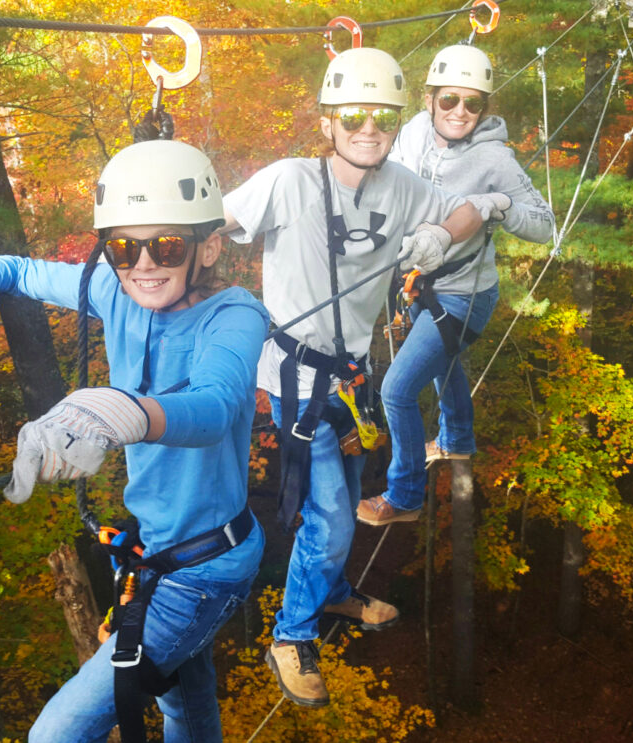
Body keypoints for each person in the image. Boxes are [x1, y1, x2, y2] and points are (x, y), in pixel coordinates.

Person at [0, 140, 269, 743]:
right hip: (161, 550)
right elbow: (16, 270)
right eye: (125, 246)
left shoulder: (234, 315)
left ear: (207, 248)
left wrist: (122, 411)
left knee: (56, 734)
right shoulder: (116, 292)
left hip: (207, 568)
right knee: (185, 695)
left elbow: (216, 406)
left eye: (168, 245)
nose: (144, 264)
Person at [219, 47, 485, 708]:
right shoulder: (288, 181)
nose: (369, 129)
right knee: (333, 511)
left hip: (351, 376)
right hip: (293, 379)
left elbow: (473, 208)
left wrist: (439, 237)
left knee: (344, 497)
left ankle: (331, 591)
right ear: (328, 121)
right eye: (354, 116)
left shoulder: (404, 187)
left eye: (383, 119)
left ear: (397, 125)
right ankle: (292, 630)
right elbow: (215, 221)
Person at [356, 44, 555, 528]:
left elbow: (546, 225)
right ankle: (457, 439)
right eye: (449, 100)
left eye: (473, 103)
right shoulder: (414, 132)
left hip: (466, 295)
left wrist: (495, 204)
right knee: (445, 362)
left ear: (485, 109)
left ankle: (403, 497)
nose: (460, 112)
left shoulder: (495, 160)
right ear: (429, 99)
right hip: (422, 284)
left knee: (397, 391)